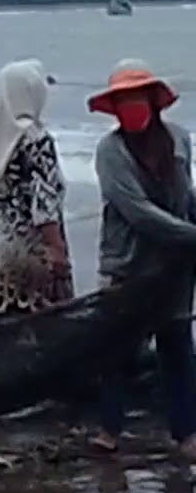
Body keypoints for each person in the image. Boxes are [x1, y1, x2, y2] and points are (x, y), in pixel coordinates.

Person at [86, 59, 196, 458]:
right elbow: (136, 211)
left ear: (153, 100)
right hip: (128, 267)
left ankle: (186, 434)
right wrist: (192, 236)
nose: (132, 107)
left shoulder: (180, 140)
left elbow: (185, 199)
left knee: (177, 349)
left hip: (176, 270)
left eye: (137, 98)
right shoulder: (110, 151)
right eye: (123, 101)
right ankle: (109, 431)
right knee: (118, 353)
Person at [0, 59, 73, 315]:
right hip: (34, 251)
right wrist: (57, 250)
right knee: (44, 330)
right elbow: (43, 203)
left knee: (1, 325)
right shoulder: (36, 139)